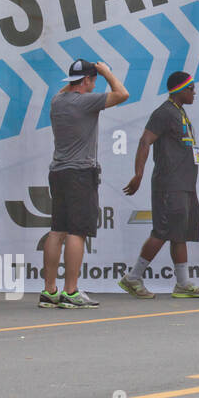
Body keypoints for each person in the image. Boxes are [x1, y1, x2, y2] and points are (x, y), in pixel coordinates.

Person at [41, 59, 129, 309]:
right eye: (93, 80)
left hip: (58, 172)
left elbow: (65, 89)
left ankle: (49, 291)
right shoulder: (86, 101)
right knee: (76, 231)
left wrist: (78, 79)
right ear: (87, 80)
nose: (95, 85)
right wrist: (107, 72)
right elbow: (122, 94)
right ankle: (71, 291)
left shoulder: (57, 101)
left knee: (57, 229)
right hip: (80, 173)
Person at [117, 72, 199, 299]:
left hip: (185, 184)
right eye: (191, 88)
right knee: (162, 232)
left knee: (180, 234)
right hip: (169, 184)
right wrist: (138, 174)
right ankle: (132, 278)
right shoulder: (164, 113)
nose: (194, 92)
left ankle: (182, 283)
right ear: (180, 89)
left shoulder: (179, 113)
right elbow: (144, 141)